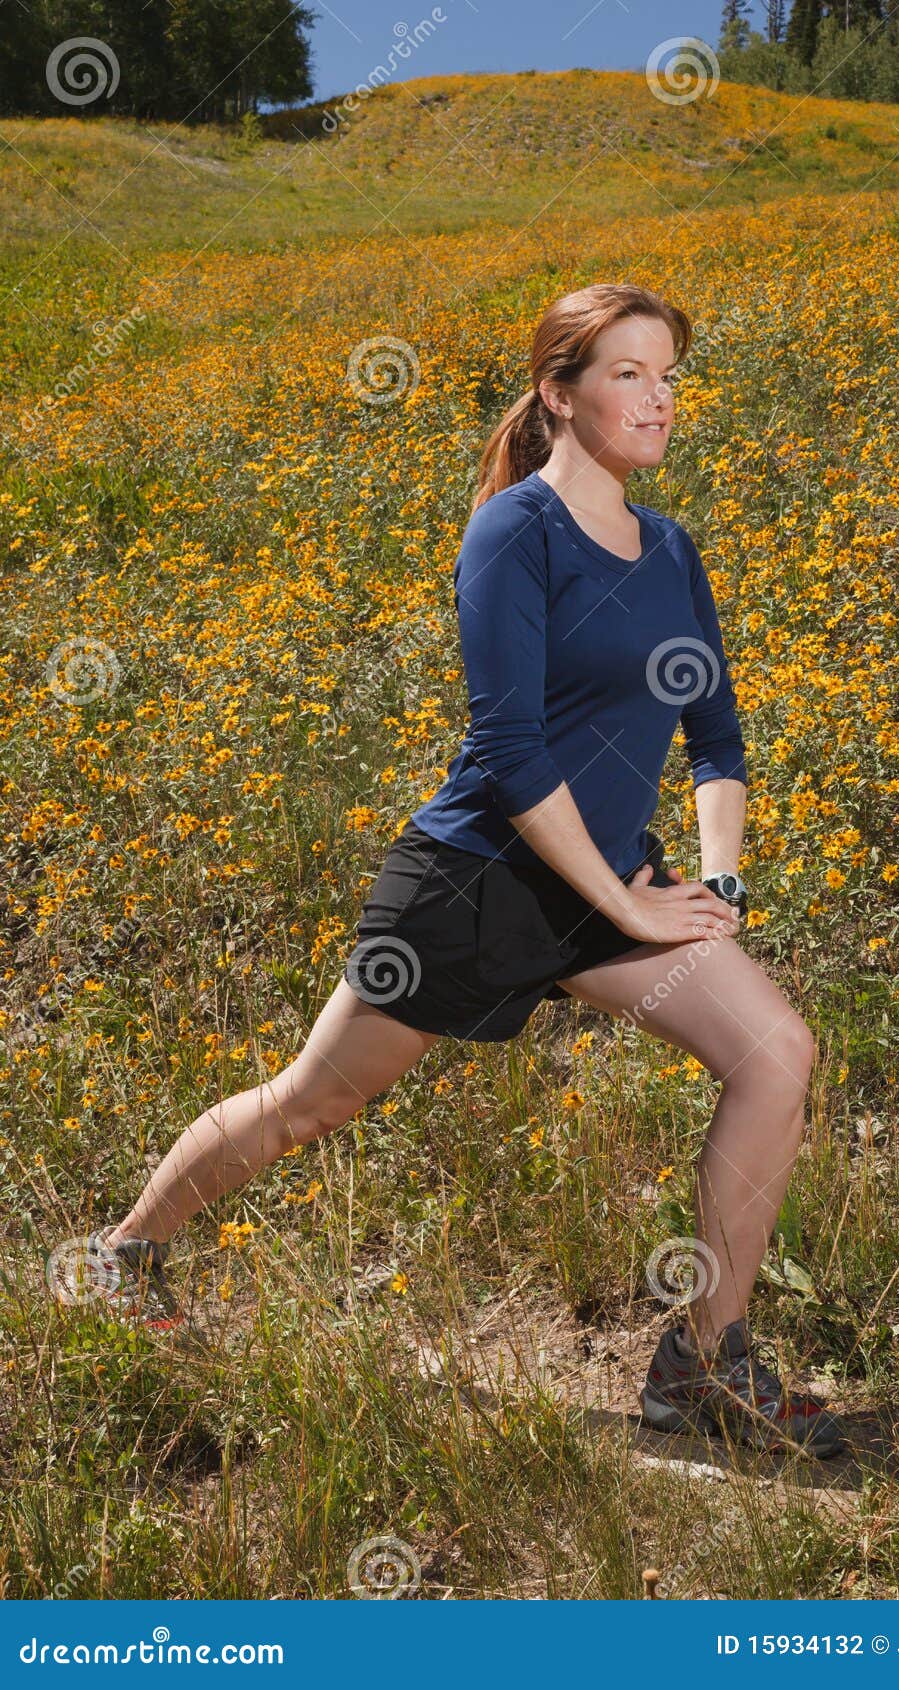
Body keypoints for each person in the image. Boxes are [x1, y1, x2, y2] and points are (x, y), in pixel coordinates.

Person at [77, 282, 844, 1459]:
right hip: (478, 877)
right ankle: (126, 1252)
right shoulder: (513, 532)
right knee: (312, 1102)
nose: (657, 399)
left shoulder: (670, 547)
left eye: (670, 377)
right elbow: (507, 747)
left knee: (775, 1053)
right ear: (558, 393)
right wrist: (624, 900)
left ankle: (703, 1362)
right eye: (627, 374)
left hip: (608, 887)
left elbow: (718, 737)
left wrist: (714, 883)